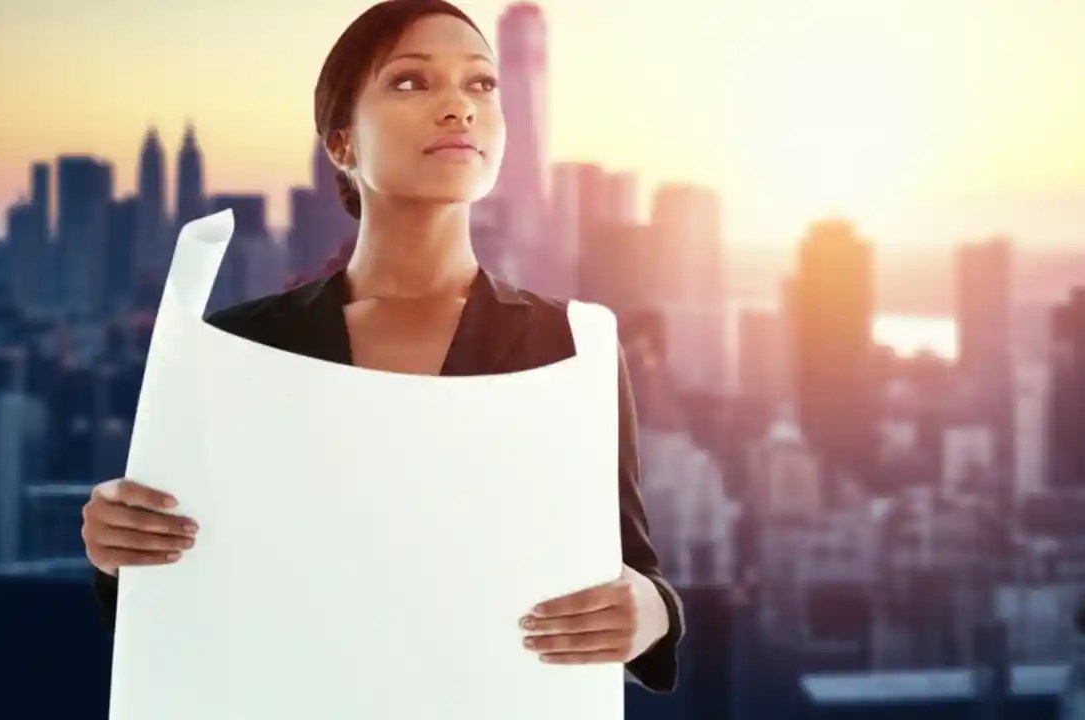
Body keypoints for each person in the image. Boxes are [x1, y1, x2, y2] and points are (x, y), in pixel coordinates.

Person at [79, 0, 684, 694]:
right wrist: (116, 545)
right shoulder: (243, 346)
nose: (459, 107)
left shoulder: (569, 346)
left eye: (481, 84)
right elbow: (177, 592)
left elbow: (636, 568)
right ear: (342, 143)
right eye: (411, 82)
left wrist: (651, 613)